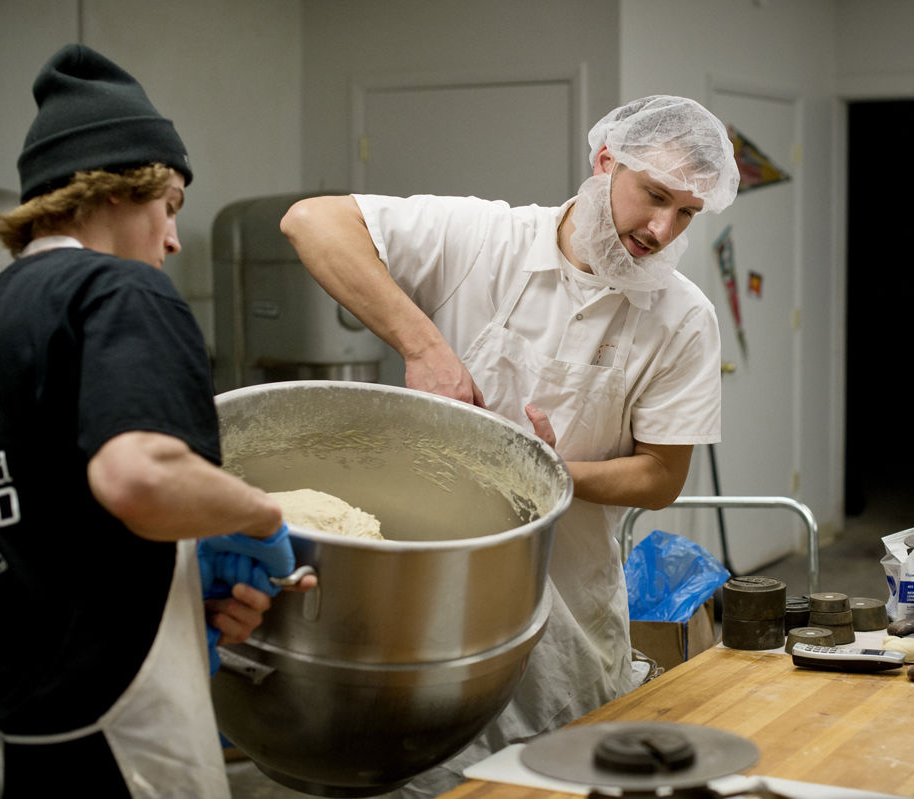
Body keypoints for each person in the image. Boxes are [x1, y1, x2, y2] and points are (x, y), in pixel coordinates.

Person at [282, 94, 739, 795]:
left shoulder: (682, 319)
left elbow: (660, 476)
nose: (661, 228)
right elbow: (311, 222)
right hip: (430, 624)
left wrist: (553, 474)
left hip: (568, 625)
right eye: (653, 196)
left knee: (556, 777)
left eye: (687, 214)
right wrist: (424, 345)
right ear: (605, 160)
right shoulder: (483, 239)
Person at [0, 44, 310, 798]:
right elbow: (136, 475)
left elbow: (34, 526)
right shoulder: (117, 289)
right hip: (108, 743)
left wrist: (180, 584)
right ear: (118, 189)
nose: (175, 239)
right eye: (171, 204)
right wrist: (257, 516)